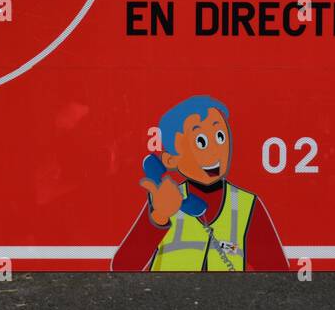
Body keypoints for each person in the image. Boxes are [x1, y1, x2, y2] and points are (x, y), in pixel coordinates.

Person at [111, 95, 288, 271]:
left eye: (220, 137)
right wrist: (159, 218)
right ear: (171, 160)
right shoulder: (162, 201)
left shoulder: (248, 206)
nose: (215, 151)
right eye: (201, 142)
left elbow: (279, 275)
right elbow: (122, 266)